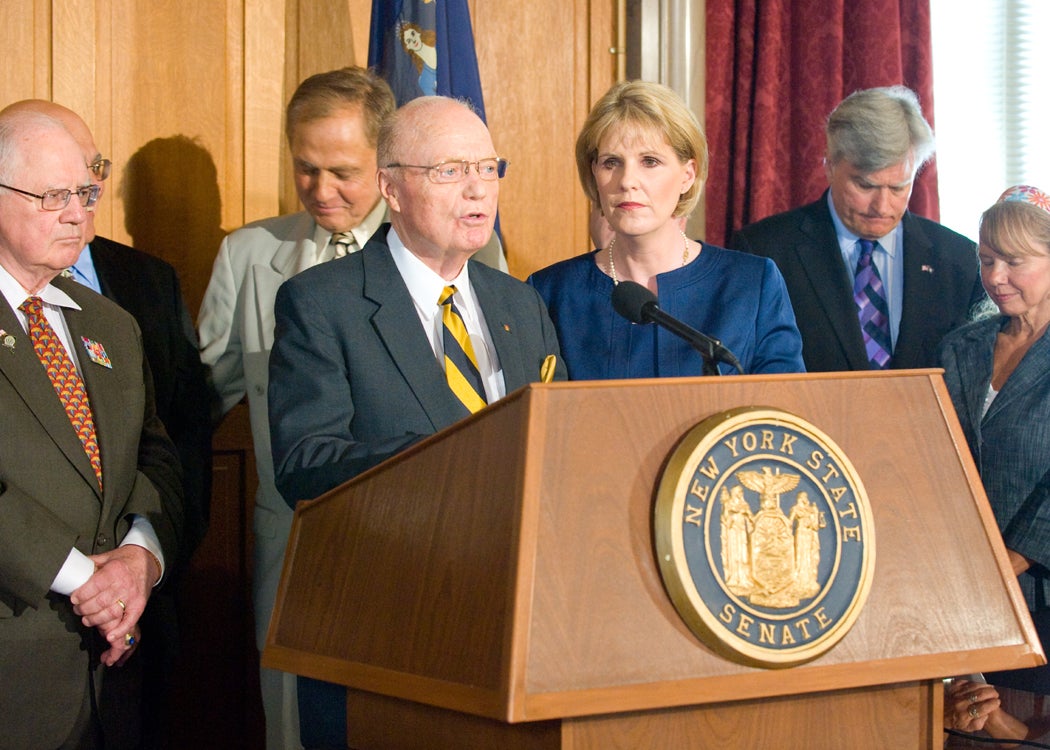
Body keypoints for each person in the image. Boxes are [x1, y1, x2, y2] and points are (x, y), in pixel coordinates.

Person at [268, 95, 565, 747]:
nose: (476, 189)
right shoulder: (322, 303)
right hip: (385, 627)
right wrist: (462, 458)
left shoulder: (521, 303)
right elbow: (307, 463)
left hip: (516, 630)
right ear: (390, 187)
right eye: (450, 171)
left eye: (487, 169)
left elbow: (559, 452)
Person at [0, 99, 212, 748]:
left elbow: (158, 459)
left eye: (87, 192)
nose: (77, 213)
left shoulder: (111, 324)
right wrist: (82, 578)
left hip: (118, 668)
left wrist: (138, 561)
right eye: (53, 196)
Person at [196, 65, 396, 750]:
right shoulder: (249, 256)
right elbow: (201, 398)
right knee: (289, 727)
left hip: (408, 536)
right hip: (292, 539)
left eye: (343, 171)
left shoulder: (438, 250)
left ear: (386, 159)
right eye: (305, 169)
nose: (321, 190)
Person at [527, 79, 804, 378]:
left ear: (687, 175)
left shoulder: (752, 284)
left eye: (649, 161)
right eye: (611, 162)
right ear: (593, 173)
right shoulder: (548, 293)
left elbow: (782, 415)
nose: (627, 180)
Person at [729, 85, 985, 373]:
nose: (882, 206)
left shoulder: (960, 260)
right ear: (829, 165)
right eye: (865, 185)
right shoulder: (765, 251)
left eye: (899, 187)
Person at [939, 185, 1050, 708]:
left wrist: (1010, 560)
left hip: (1038, 592)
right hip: (961, 585)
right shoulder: (962, 344)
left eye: (1014, 261)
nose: (996, 278)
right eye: (986, 260)